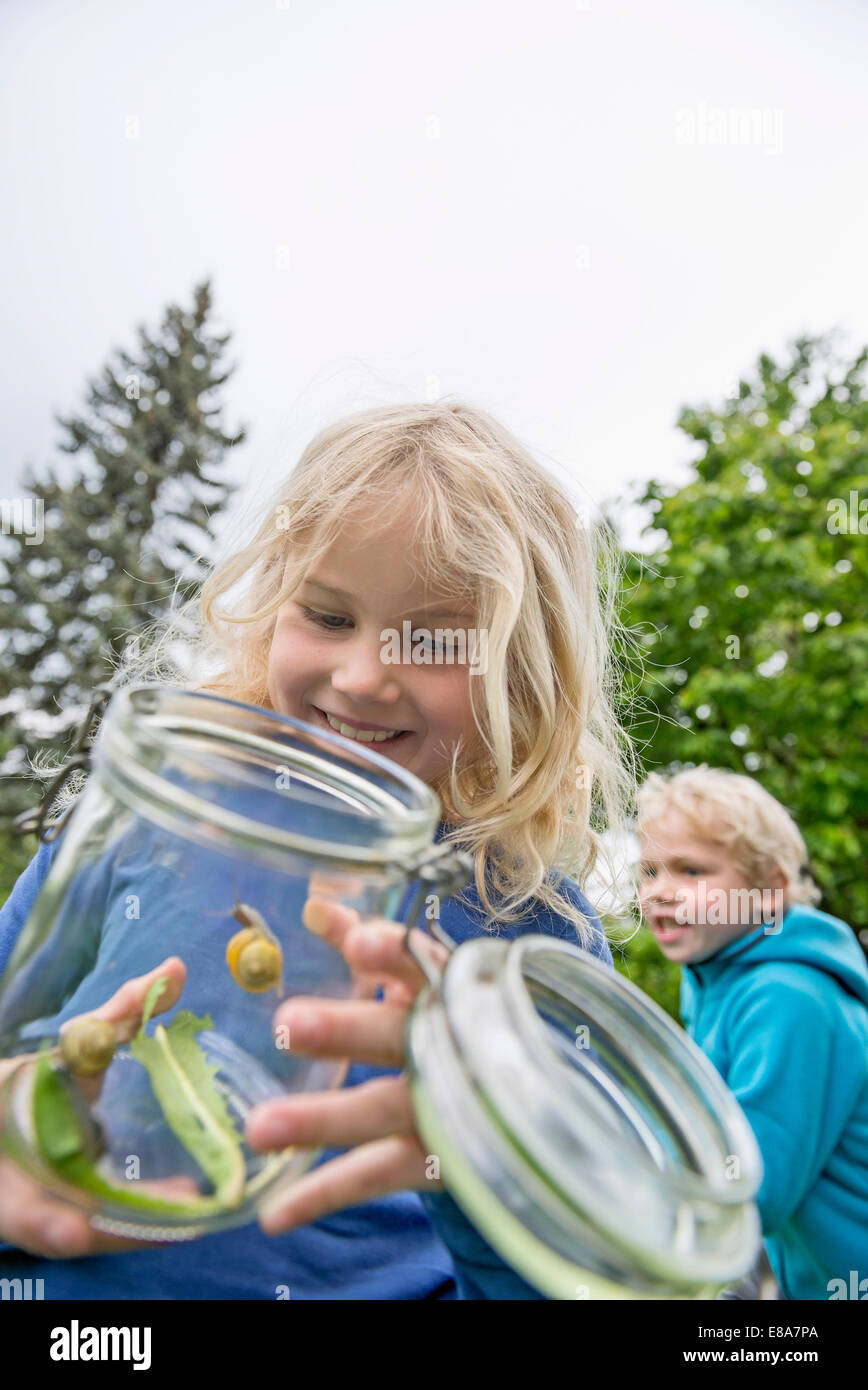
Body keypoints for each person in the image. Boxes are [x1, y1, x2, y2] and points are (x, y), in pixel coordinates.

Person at [0, 399, 633, 1299]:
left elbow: (571, 1267)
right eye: (329, 618)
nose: (364, 675)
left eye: (435, 640)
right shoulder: (146, 830)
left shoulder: (535, 932)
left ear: (526, 676)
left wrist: (478, 1163)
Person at [635, 765, 868, 1302]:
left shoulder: (788, 996)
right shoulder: (714, 980)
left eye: (691, 871)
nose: (661, 893)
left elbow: (752, 1193)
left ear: (770, 891)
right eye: (649, 872)